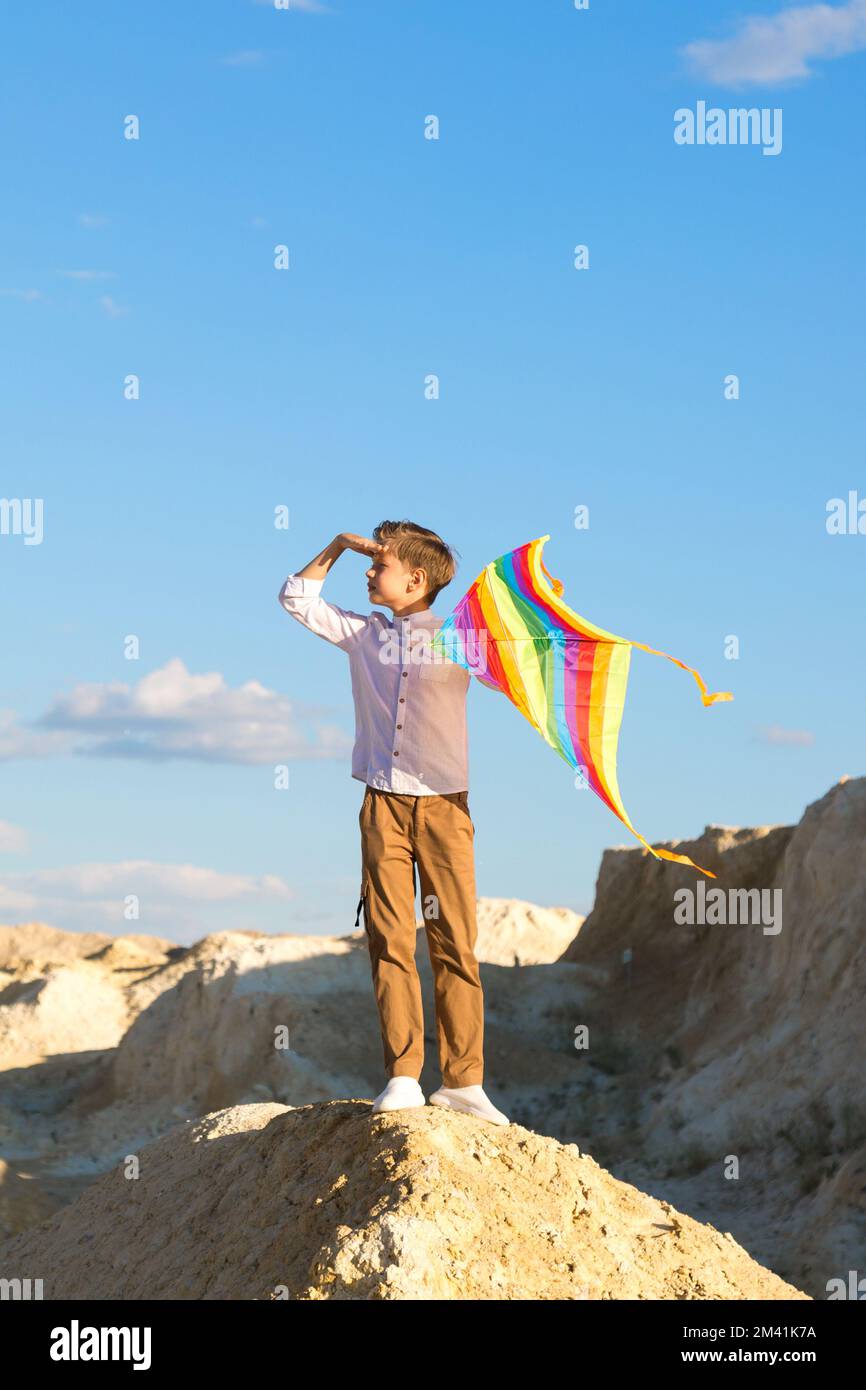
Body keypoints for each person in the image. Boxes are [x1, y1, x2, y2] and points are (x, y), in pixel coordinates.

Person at [277, 520, 509, 1126]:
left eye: (379, 564)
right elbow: (296, 598)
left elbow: (531, 666)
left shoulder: (464, 639)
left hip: (446, 807)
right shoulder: (363, 634)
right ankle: (403, 1076)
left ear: (417, 578)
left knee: (454, 943)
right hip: (382, 804)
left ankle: (465, 1082)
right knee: (390, 938)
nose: (368, 571)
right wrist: (337, 546)